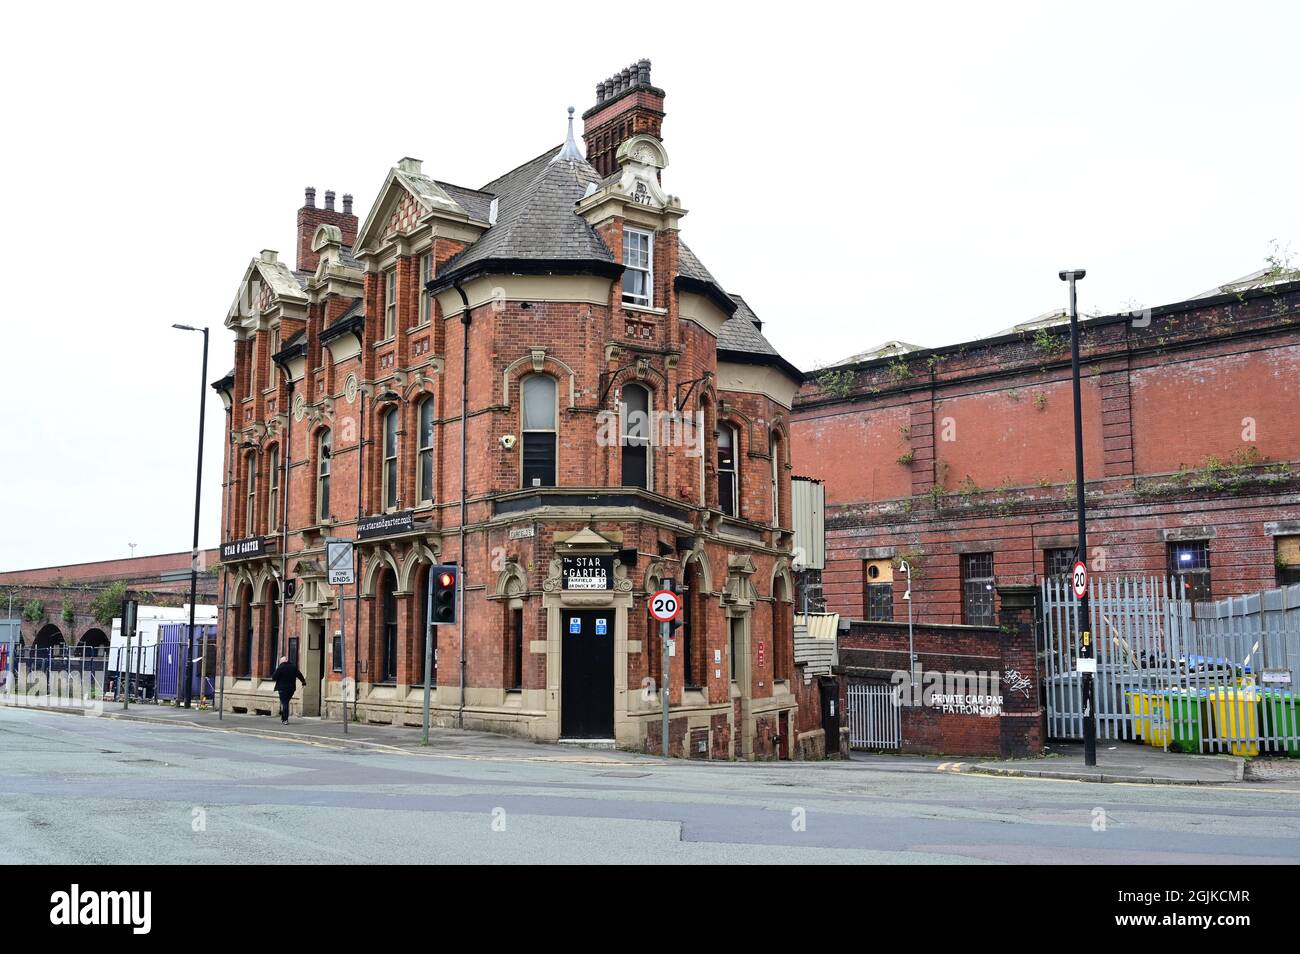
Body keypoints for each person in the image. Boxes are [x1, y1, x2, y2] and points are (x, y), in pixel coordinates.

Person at [271, 655, 306, 724]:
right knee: (286, 702)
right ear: (287, 660)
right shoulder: (293, 667)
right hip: (291, 689)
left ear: (282, 661)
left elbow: (274, 677)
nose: (280, 663)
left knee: (285, 703)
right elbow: (300, 675)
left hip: (282, 689)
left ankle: (285, 719)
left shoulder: (280, 667)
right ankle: (283, 717)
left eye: (280, 662)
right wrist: (303, 682)